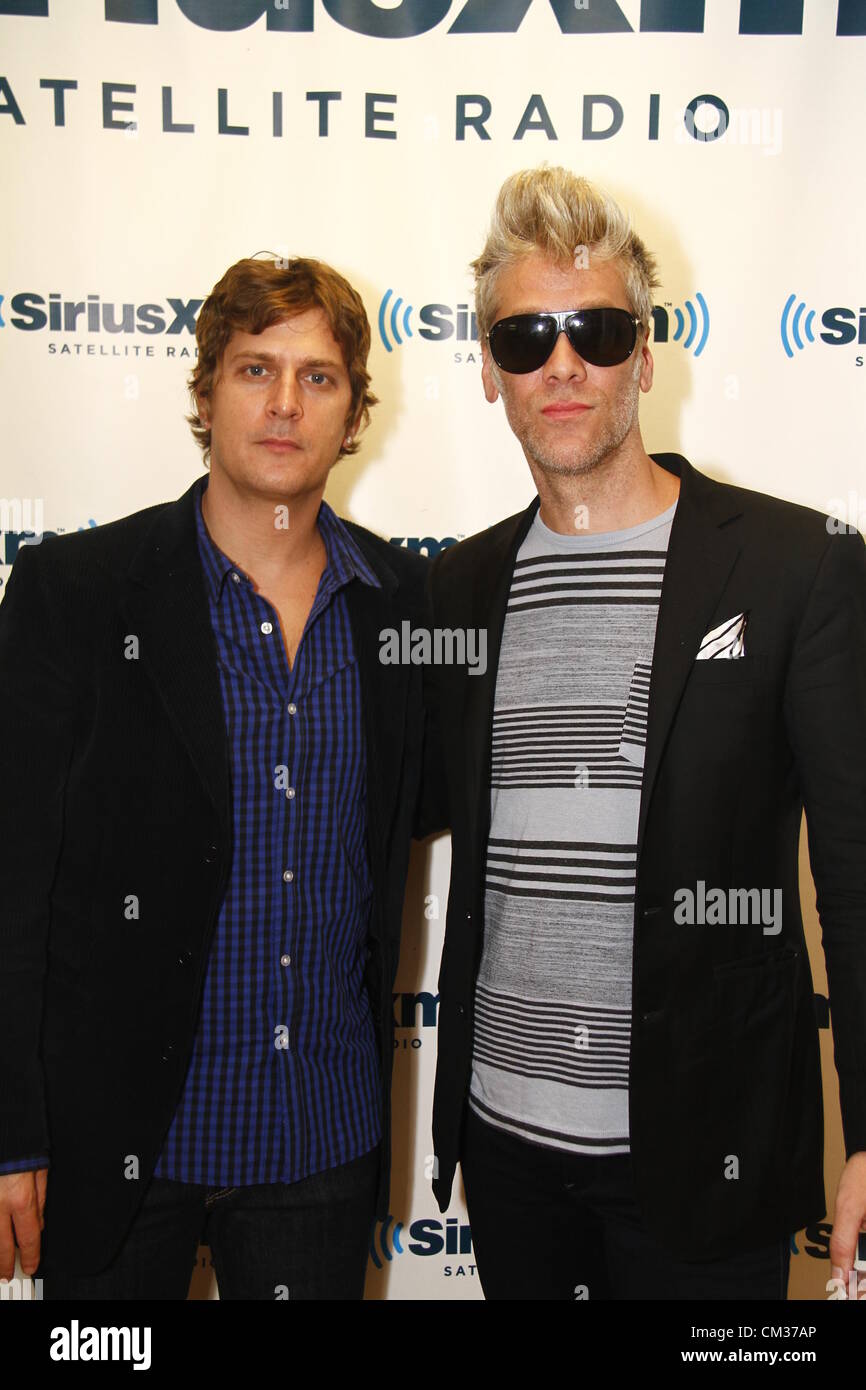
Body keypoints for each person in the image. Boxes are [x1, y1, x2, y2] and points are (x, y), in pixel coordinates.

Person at [427, 165, 866, 1300]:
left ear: (646, 354)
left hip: (708, 1155)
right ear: (489, 368)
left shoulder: (794, 567)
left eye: (599, 329)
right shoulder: (458, 589)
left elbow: (855, 870)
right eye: (525, 336)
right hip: (506, 1155)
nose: (562, 363)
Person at [0, 253, 442, 1300]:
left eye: (318, 377)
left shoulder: (405, 605)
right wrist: (13, 1128)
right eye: (255, 370)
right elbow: (11, 875)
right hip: (118, 1141)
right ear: (205, 396)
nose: (285, 403)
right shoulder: (77, 592)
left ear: (353, 412)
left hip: (320, 1143)